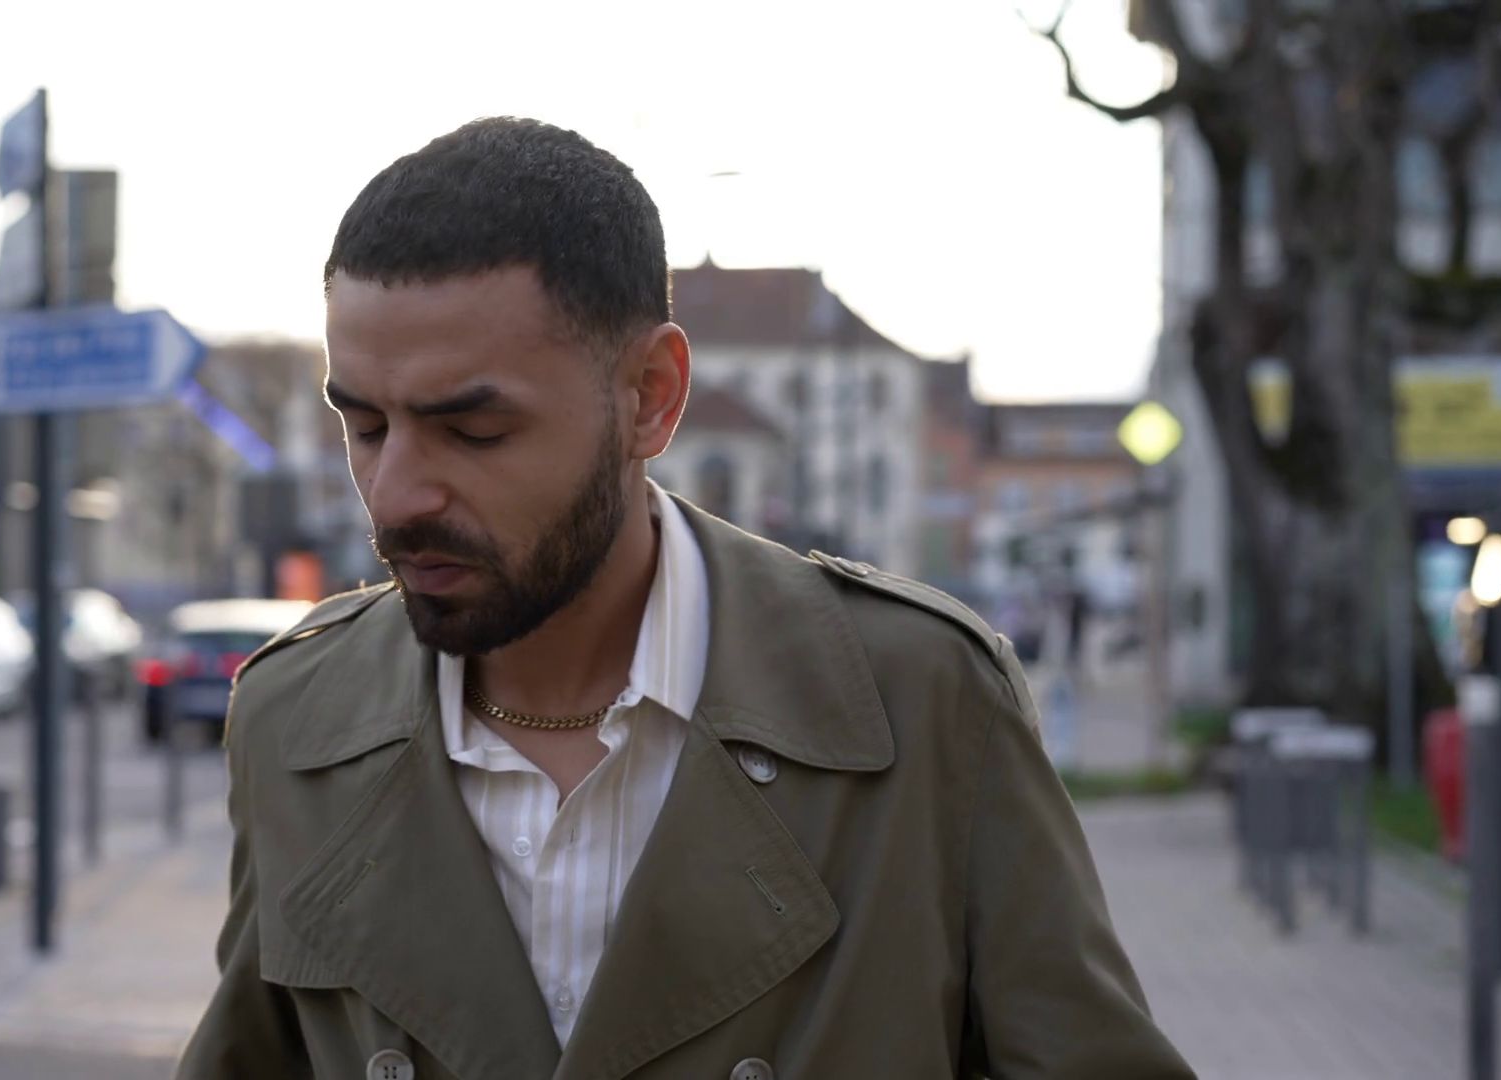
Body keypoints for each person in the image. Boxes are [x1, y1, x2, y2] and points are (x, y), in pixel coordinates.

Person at [177, 117, 1193, 1080]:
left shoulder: (921, 702)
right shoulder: (294, 719)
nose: (396, 495)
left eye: (474, 432)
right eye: (364, 428)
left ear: (650, 397)